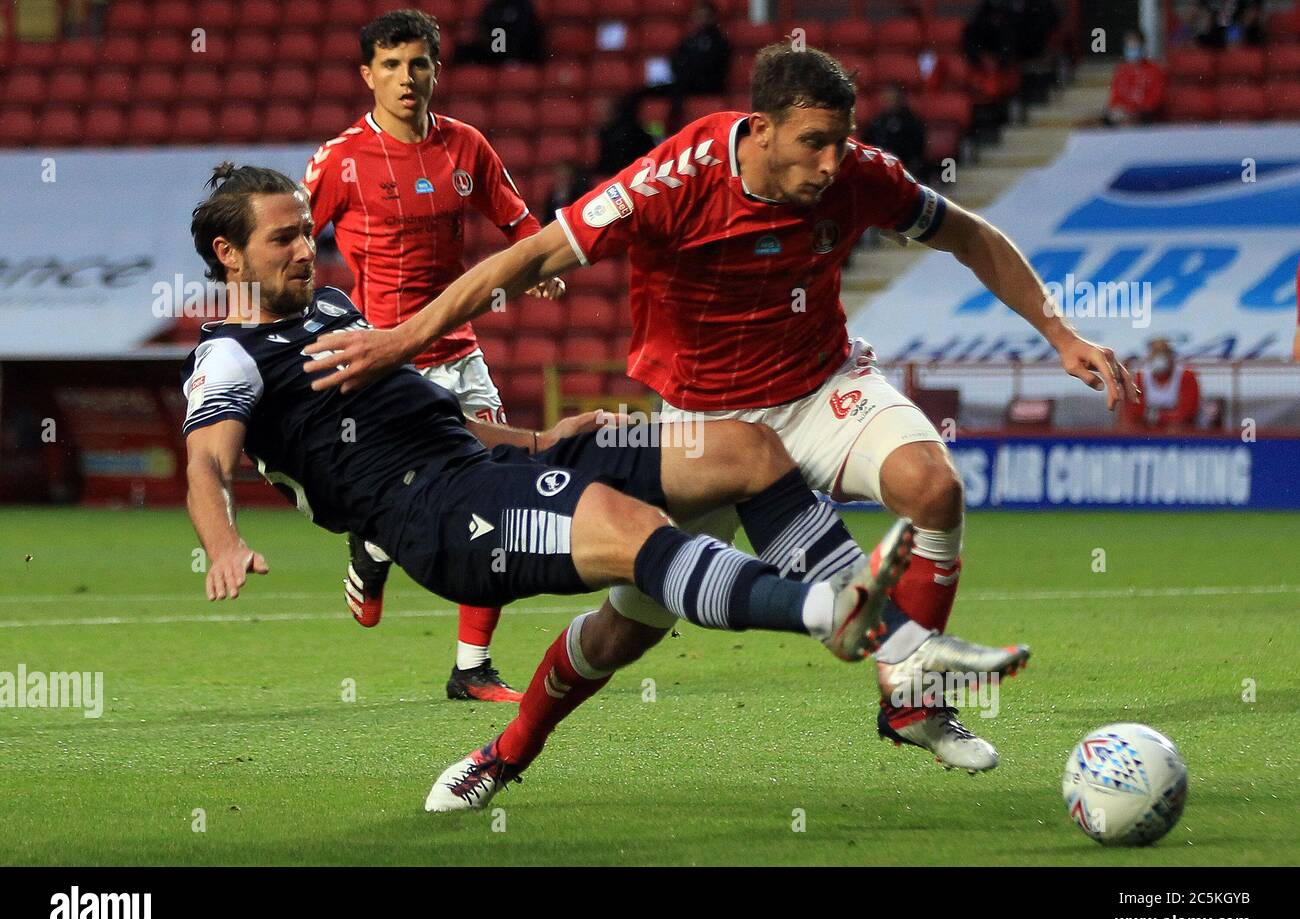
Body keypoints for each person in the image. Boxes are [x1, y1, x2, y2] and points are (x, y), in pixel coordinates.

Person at [301, 45, 1110, 774]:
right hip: (702, 427)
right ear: (760, 130)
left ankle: (912, 703)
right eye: (813, 144)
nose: (831, 163)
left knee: (934, 488)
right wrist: (400, 340)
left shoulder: (861, 173)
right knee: (628, 628)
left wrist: (1058, 332)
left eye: (839, 142)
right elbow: (534, 254)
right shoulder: (673, 180)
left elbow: (967, 233)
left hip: (824, 389)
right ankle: (506, 752)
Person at [182, 163, 1029, 810]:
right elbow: (206, 461)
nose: (305, 249)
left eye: (304, 232)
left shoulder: (330, 311)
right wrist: (223, 541)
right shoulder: (229, 355)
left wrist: (538, 438)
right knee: (631, 531)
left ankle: (872, 624)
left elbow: (429, 417)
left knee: (742, 448)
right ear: (228, 255)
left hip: (492, 465)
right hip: (438, 520)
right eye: (282, 239)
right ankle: (856, 625)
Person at [302, 9, 563, 703]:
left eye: (419, 63)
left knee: (500, 490)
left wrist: (541, 261)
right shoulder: (341, 160)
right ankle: (374, 543)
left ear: (436, 70)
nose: (407, 78)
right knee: (415, 496)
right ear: (368, 75)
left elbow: (517, 220)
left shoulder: (466, 147)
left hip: (459, 349)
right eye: (391, 65)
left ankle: (470, 667)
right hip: (387, 362)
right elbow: (295, 243)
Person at [1122, 339, 1200, 432]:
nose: (1160, 358)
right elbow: (1135, 410)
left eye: (1163, 354)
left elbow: (1188, 411)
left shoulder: (1186, 376)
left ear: (1171, 356)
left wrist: (1157, 416)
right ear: (1150, 357)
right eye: (1156, 354)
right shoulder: (1140, 377)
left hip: (1178, 430)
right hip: (1147, 430)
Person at [1103, 29, 1166, 127]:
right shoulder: (1121, 71)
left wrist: (1135, 112)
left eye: (1135, 45)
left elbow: (1155, 100)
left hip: (1145, 117)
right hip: (1122, 116)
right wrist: (1122, 110)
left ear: (1142, 46)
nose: (1132, 48)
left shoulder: (1155, 70)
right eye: (1129, 45)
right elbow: (1115, 97)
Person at [669, 1, 732, 96]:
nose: (702, 20)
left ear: (713, 17)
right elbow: (676, 58)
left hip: (707, 86)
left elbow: (715, 66)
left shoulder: (720, 41)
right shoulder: (690, 39)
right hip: (686, 83)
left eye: (706, 16)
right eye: (699, 16)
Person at [863, 85, 926, 178]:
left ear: (900, 99)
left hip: (904, 168)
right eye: (886, 99)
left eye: (892, 99)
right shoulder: (878, 122)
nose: (889, 102)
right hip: (880, 167)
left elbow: (917, 148)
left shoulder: (911, 121)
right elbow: (868, 143)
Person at [542, 159, 590, 224]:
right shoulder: (551, 195)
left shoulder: (579, 193)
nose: (562, 178)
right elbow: (547, 219)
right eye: (559, 175)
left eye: (565, 175)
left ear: (571, 177)